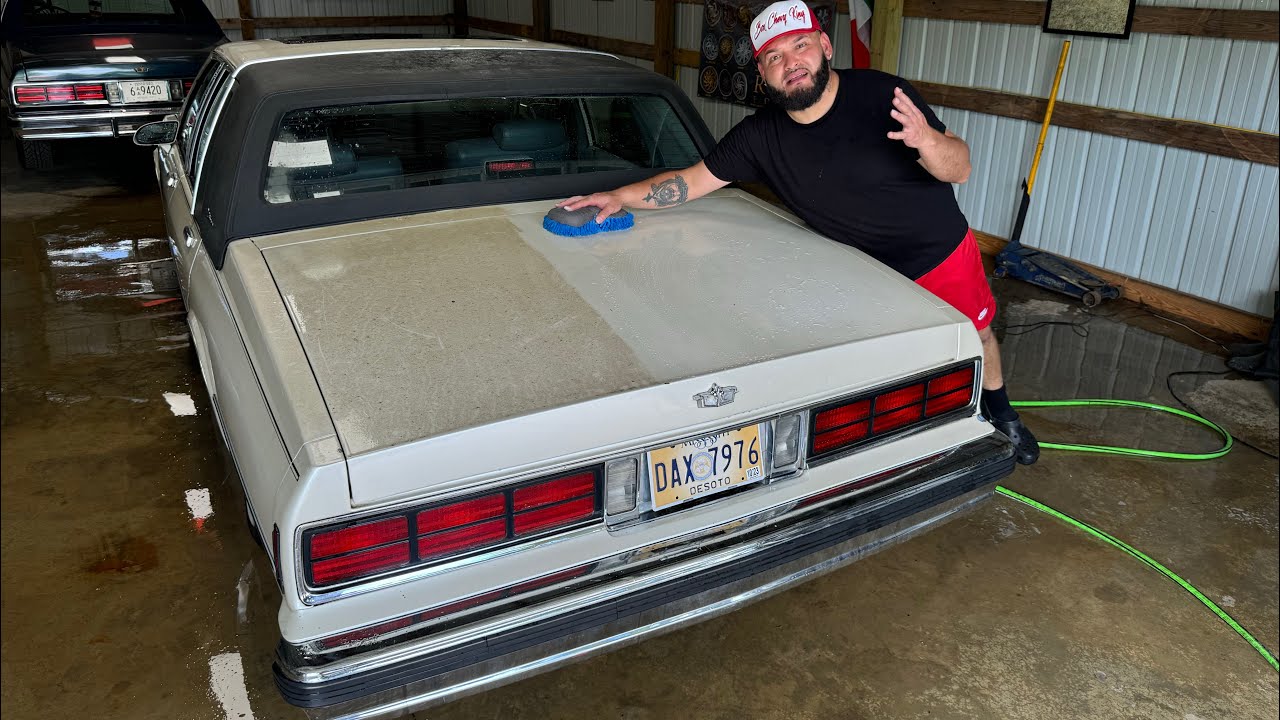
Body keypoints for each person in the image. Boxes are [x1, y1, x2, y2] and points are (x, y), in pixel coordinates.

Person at [561, 0, 1039, 465]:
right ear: (763, 73)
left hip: (936, 254)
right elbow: (690, 182)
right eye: (774, 56)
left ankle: (1001, 412)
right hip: (856, 269)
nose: (791, 63)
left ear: (825, 46)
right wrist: (621, 197)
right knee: (880, 363)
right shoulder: (758, 137)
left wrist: (927, 141)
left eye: (800, 46)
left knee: (976, 334)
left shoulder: (883, 95)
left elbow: (960, 168)